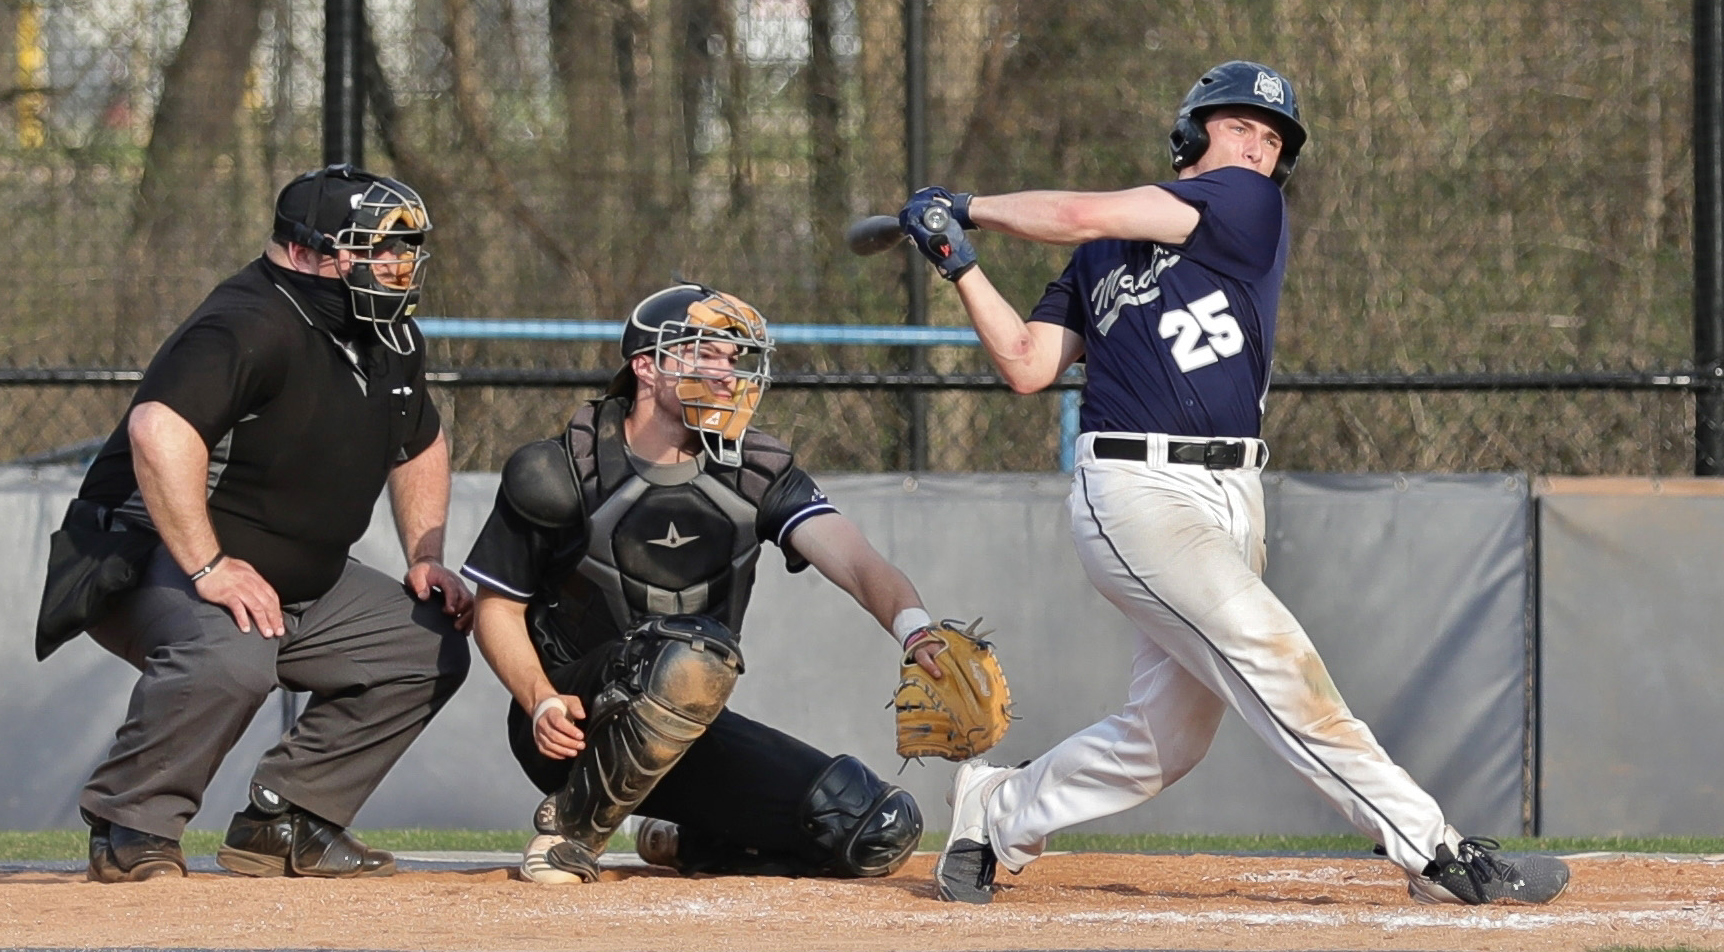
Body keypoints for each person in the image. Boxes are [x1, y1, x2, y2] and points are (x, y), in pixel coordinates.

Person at [897, 61, 1570, 906]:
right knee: (1277, 661)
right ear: (1193, 131)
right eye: (1241, 126)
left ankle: (996, 813)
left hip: (1229, 498)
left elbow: (1076, 212)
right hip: (1137, 492)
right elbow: (1028, 365)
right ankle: (1436, 853)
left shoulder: (1245, 206)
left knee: (1167, 738)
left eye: (1273, 137)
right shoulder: (1102, 255)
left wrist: (966, 207)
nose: (1259, 146)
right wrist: (961, 263)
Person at [460, 283, 947, 884]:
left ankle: (695, 842)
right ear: (646, 366)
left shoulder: (757, 470)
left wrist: (916, 628)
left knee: (877, 827)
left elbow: (856, 560)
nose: (727, 374)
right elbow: (496, 608)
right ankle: (570, 831)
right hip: (570, 721)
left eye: (734, 358)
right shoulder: (561, 468)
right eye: (705, 354)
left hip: (682, 727)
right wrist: (539, 700)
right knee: (689, 651)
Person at [67, 164, 473, 883]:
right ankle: (131, 823)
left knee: (424, 643)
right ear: (308, 248)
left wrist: (426, 552)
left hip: (294, 577)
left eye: (405, 247)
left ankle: (287, 822)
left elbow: (420, 441)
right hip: (144, 557)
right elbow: (159, 429)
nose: (398, 263)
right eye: (376, 246)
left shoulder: (389, 332)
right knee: (234, 655)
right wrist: (210, 566)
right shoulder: (250, 320)